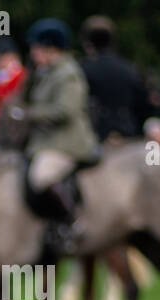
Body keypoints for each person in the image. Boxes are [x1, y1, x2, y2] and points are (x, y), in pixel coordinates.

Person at [14, 18, 99, 251]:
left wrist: (30, 114)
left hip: (68, 143)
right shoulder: (45, 73)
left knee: (41, 176)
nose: (32, 53)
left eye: (36, 48)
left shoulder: (68, 74)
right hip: (45, 142)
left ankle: (72, 222)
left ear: (51, 48)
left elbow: (66, 111)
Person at [79, 16, 150, 142]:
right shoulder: (130, 70)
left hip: (96, 136)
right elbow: (144, 104)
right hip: (128, 133)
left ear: (88, 43)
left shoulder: (83, 70)